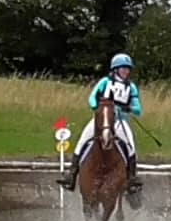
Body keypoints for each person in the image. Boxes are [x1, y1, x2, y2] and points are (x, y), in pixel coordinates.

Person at [59, 53, 143, 192]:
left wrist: (127, 108)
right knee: (82, 140)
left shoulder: (131, 87)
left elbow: (138, 109)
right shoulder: (105, 82)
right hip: (101, 119)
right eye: (123, 68)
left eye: (128, 68)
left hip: (119, 122)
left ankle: (132, 178)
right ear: (116, 69)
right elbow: (92, 99)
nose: (126, 71)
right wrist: (99, 107)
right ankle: (71, 175)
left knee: (130, 146)